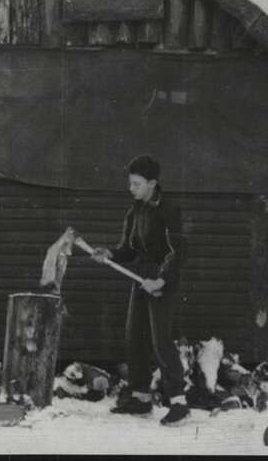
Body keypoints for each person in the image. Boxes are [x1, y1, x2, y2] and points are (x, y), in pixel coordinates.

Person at [91, 154, 190, 426]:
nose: (131, 188)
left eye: (136, 183)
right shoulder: (135, 211)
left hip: (163, 279)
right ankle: (141, 398)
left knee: (161, 340)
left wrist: (161, 280)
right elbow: (129, 249)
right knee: (135, 336)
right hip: (141, 276)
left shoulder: (169, 210)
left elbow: (178, 251)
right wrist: (109, 253)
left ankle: (179, 403)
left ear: (152, 183)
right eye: (130, 183)